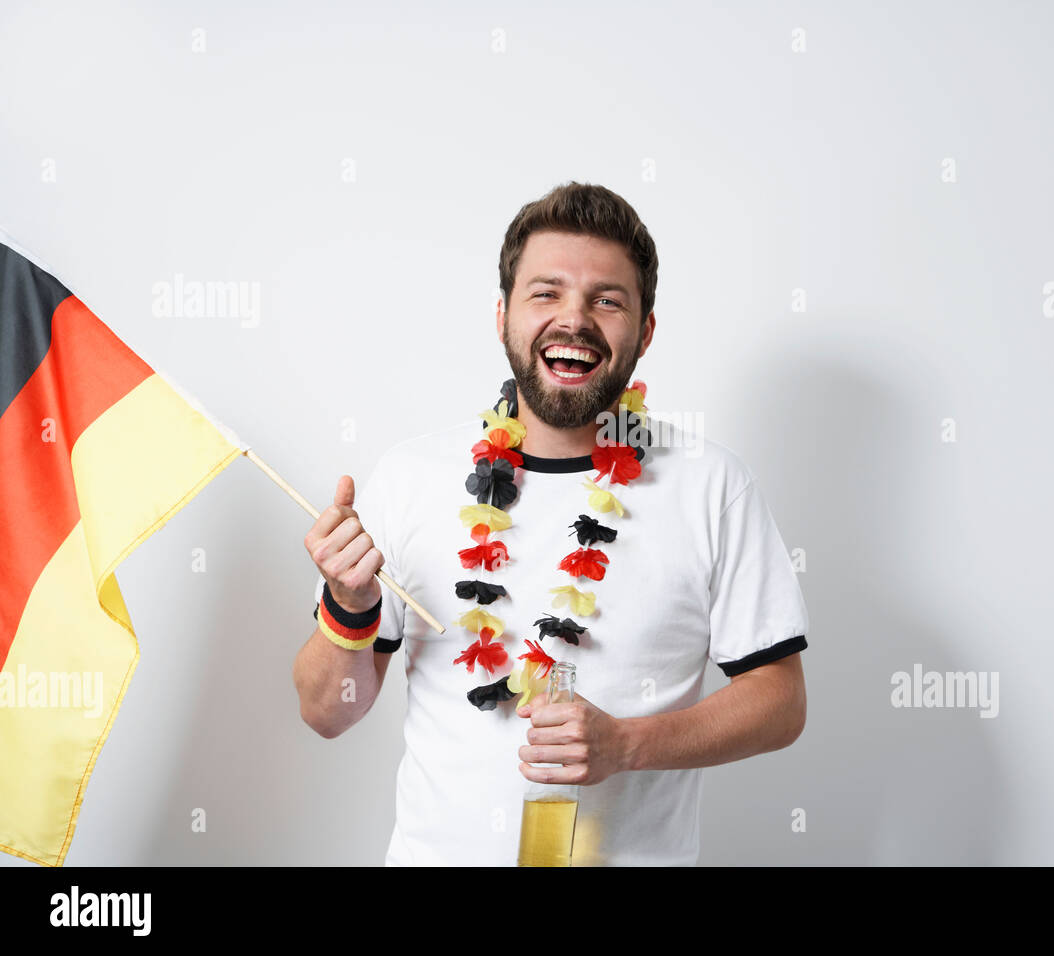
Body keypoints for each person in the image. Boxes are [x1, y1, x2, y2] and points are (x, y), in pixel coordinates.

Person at [293, 181, 809, 865]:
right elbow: (328, 711)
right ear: (503, 315)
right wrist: (349, 605)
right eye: (546, 293)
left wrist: (628, 744)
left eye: (607, 299)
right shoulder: (411, 477)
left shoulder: (712, 485)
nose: (574, 318)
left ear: (645, 330)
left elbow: (779, 701)